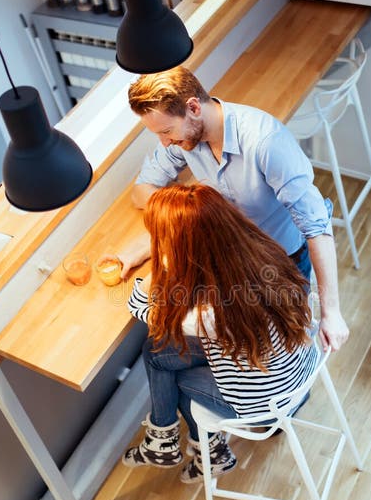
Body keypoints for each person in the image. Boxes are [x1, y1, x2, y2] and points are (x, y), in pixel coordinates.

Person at [120, 66, 349, 353]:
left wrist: (331, 313)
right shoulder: (184, 138)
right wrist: (178, 217)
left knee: (287, 339)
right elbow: (141, 190)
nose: (165, 143)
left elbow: (317, 228)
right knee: (236, 339)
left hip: (281, 259)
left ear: (193, 107)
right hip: (230, 254)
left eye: (166, 131)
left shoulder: (266, 142)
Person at [123, 183, 320, 483]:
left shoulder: (206, 312)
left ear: (183, 248)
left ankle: (202, 451)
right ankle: (164, 439)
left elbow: (141, 307)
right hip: (293, 369)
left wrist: (162, 262)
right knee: (158, 350)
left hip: (264, 403)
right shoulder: (262, 251)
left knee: (167, 366)